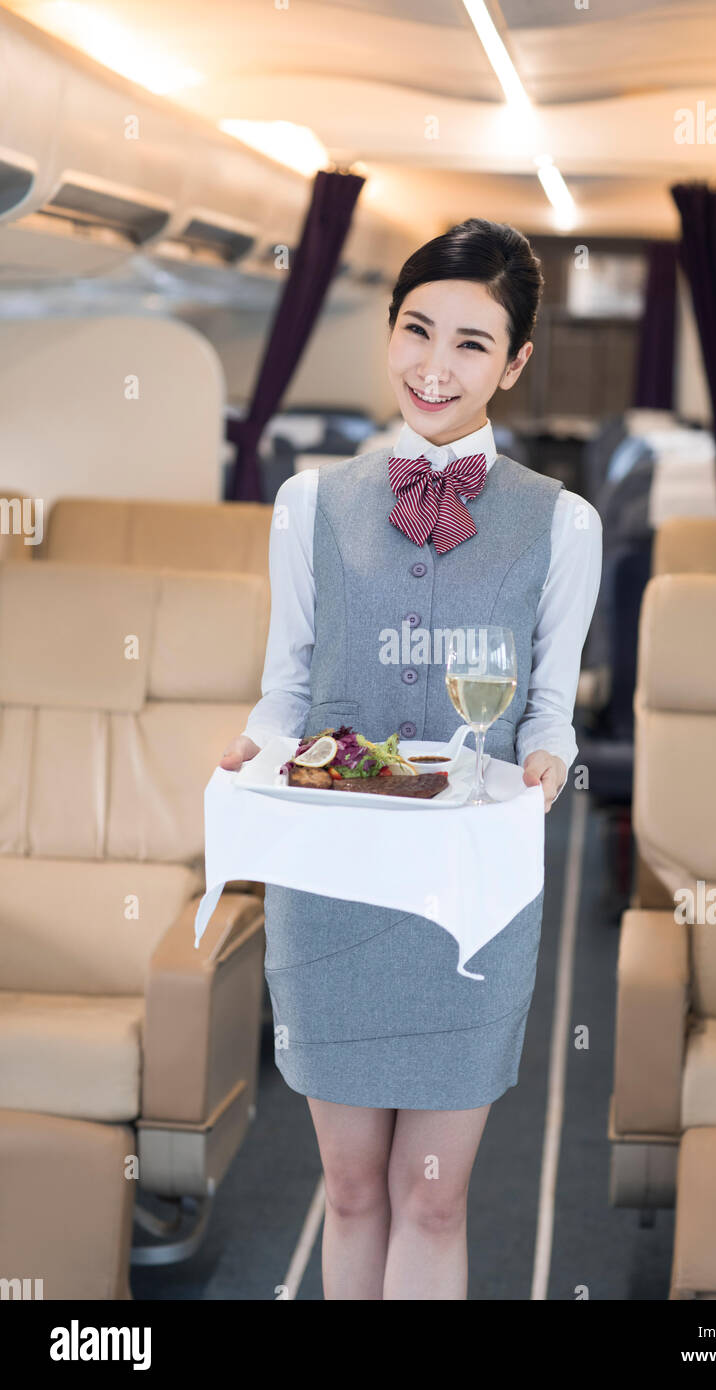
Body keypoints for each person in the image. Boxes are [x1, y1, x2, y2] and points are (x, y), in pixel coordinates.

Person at [220, 218, 602, 1299]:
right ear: (388, 333)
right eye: (417, 329)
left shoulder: (561, 525)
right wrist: (255, 743)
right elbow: (286, 686)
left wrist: (543, 769)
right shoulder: (306, 502)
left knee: (433, 1195)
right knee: (347, 1191)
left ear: (515, 362)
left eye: (472, 343)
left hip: (468, 896)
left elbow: (547, 717)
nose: (436, 365)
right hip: (331, 882)